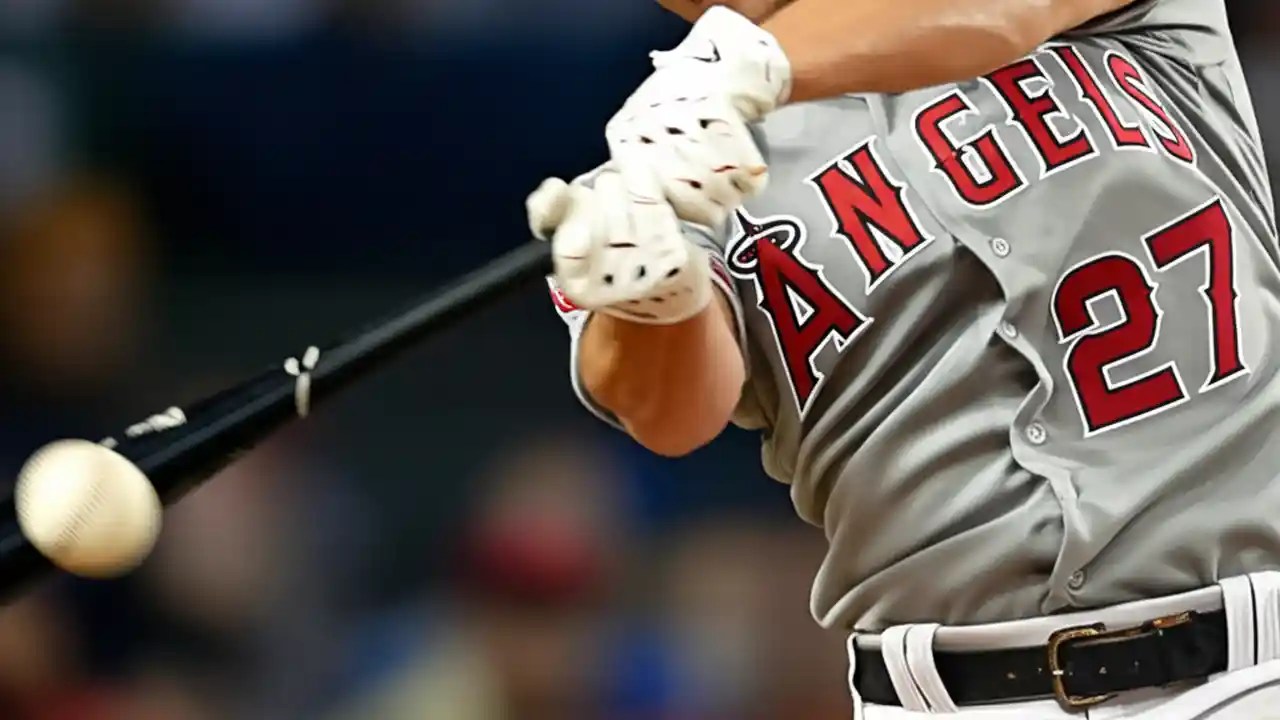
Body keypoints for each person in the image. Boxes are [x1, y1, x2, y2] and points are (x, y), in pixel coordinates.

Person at [527, 0, 1280, 717]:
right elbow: (671, 416)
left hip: (1255, 662)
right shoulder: (657, 161)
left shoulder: (1115, 19)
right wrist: (655, 296)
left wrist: (751, 65)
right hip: (942, 694)